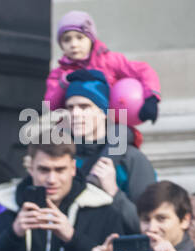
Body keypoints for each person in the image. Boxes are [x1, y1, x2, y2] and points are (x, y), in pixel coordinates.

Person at [64, 69, 157, 232]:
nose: (75, 114)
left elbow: (149, 228)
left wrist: (113, 191)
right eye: (70, 108)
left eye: (84, 106)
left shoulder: (132, 159)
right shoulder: (61, 157)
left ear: (104, 112)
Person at [45, 10, 161, 123]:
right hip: (77, 127)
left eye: (80, 37)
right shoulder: (59, 74)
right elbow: (51, 104)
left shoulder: (110, 60)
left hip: (110, 124)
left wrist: (151, 99)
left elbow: (144, 71)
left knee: (125, 136)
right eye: (67, 40)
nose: (74, 44)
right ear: (61, 45)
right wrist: (65, 81)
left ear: (91, 39)